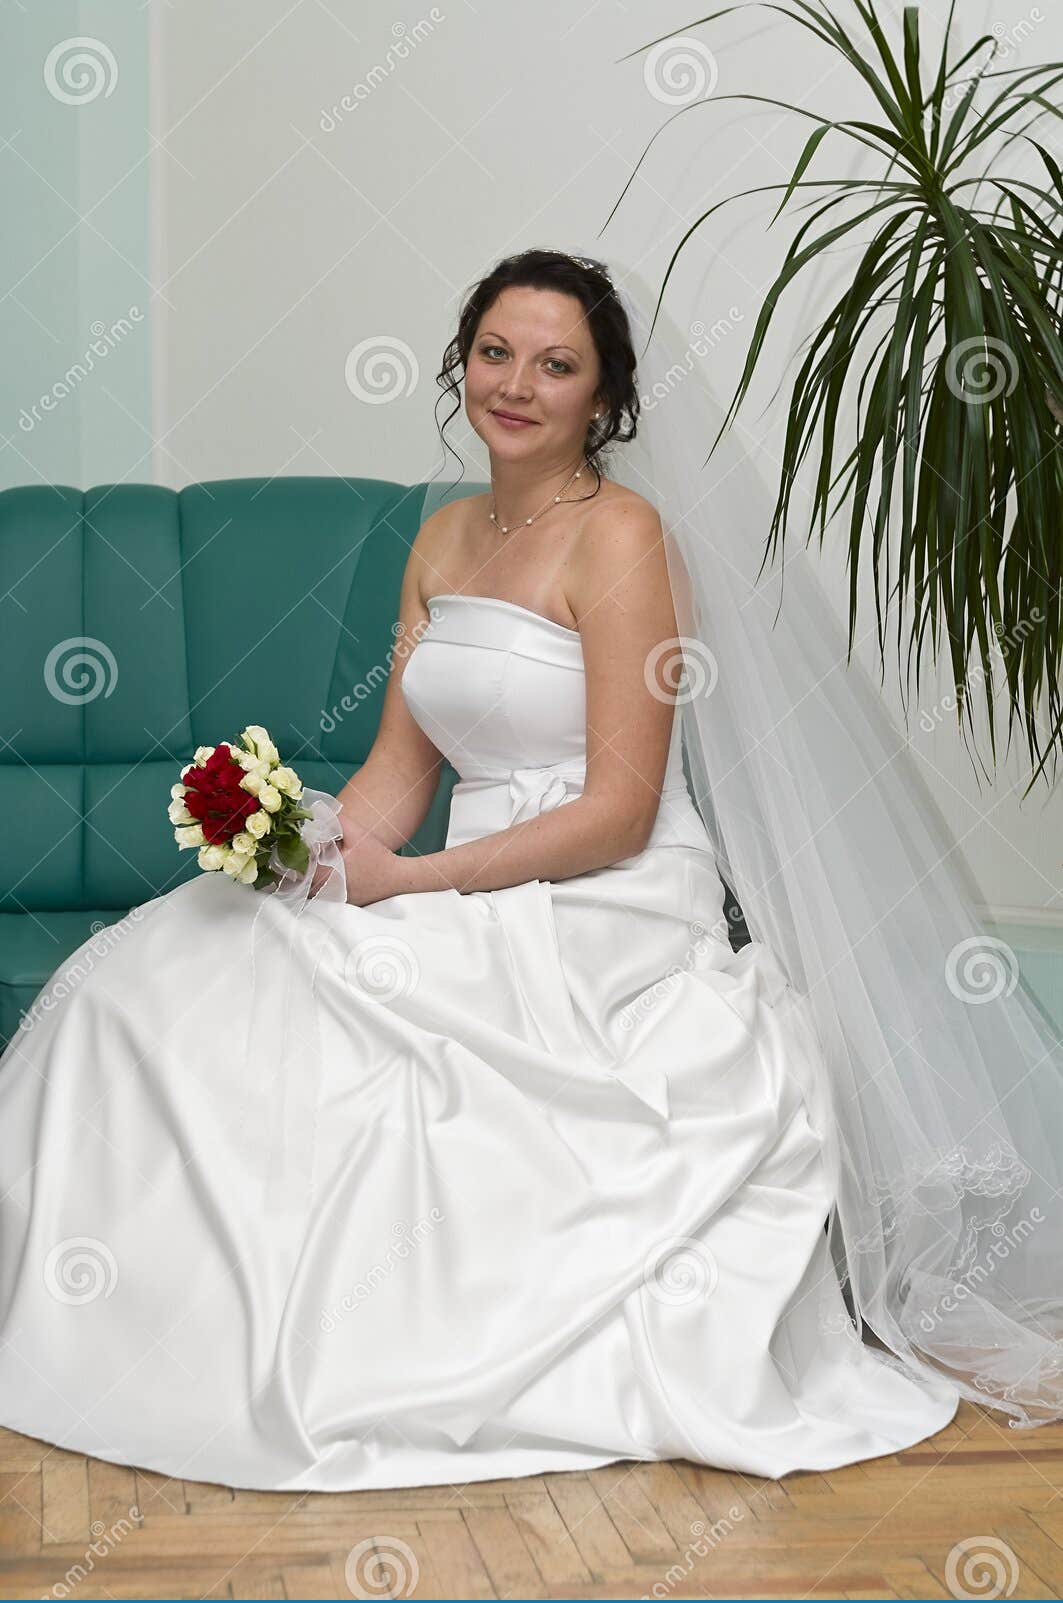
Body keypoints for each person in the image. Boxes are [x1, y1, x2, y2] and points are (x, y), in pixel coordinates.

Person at [0, 249, 1053, 1495]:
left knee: (386, 1019)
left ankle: (375, 1351)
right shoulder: (444, 538)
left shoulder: (623, 539)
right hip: (461, 868)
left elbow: (614, 811)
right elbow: (401, 763)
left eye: (556, 365)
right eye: (496, 352)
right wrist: (310, 843)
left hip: (601, 894)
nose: (517, 384)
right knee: (169, 963)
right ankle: (132, 1323)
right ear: (461, 364)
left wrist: (413, 884)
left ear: (601, 400)